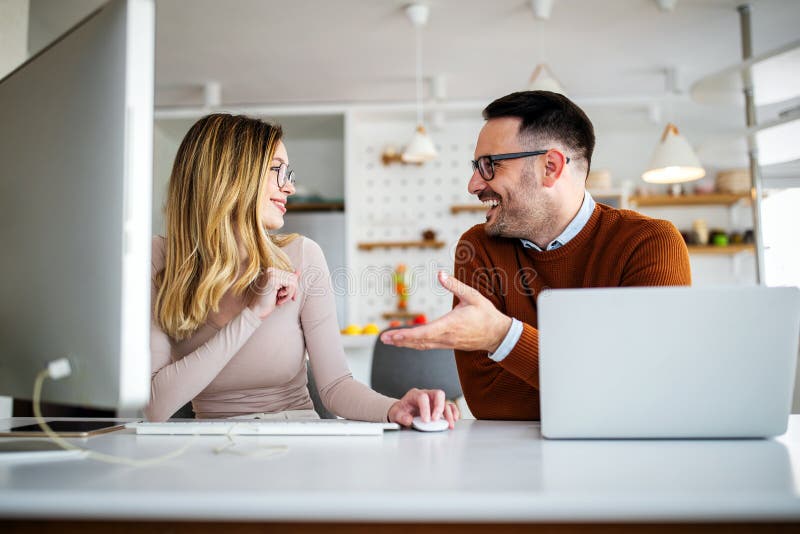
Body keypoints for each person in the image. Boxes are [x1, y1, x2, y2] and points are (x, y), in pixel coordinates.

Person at [380, 91, 691, 420]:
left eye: (490, 165)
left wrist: (502, 336)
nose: (473, 184)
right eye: (476, 166)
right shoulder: (479, 247)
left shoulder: (649, 243)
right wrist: (596, 381)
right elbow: (489, 401)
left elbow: (646, 392)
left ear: (551, 167)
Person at [146, 113, 459, 428]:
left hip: (296, 437)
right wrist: (252, 316)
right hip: (207, 445)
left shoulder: (301, 256)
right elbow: (156, 405)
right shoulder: (161, 259)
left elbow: (336, 387)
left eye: (289, 173)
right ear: (232, 173)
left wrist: (395, 408)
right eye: (277, 170)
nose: (291, 187)